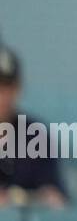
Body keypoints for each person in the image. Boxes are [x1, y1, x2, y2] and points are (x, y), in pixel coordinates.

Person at [0, 46, 66, 208]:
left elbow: (57, 200)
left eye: (6, 87)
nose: (1, 95)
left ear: (18, 89)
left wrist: (16, 200)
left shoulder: (36, 136)